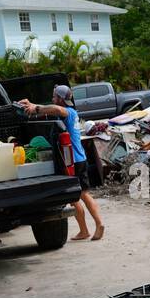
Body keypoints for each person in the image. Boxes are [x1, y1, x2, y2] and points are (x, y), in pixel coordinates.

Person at [18, 85, 105, 240]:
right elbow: (52, 109)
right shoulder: (69, 113)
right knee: (77, 197)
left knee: (79, 196)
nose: (52, 99)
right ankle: (85, 230)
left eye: (54, 96)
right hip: (79, 160)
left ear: (60, 99)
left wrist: (36, 108)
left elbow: (56, 110)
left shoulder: (68, 112)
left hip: (73, 162)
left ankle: (97, 224)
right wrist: (31, 105)